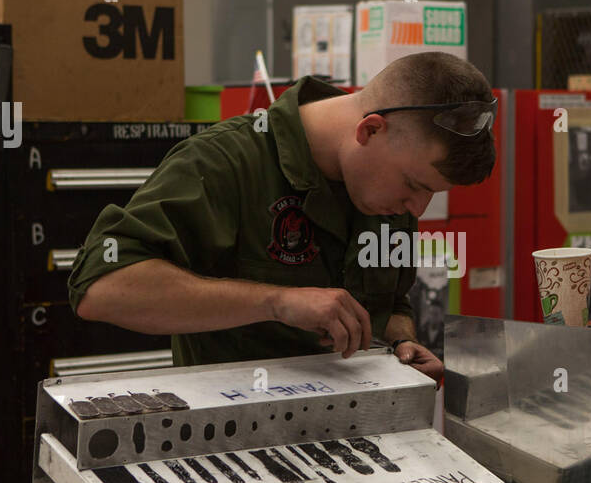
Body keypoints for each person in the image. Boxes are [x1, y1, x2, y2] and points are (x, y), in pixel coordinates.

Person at [68, 52, 496, 384]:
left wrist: (402, 341)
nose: (416, 209)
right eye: (414, 185)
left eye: (431, 195)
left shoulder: (386, 197)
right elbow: (102, 288)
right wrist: (276, 302)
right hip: (232, 449)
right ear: (370, 130)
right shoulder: (226, 162)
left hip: (355, 444)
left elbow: (389, 302)